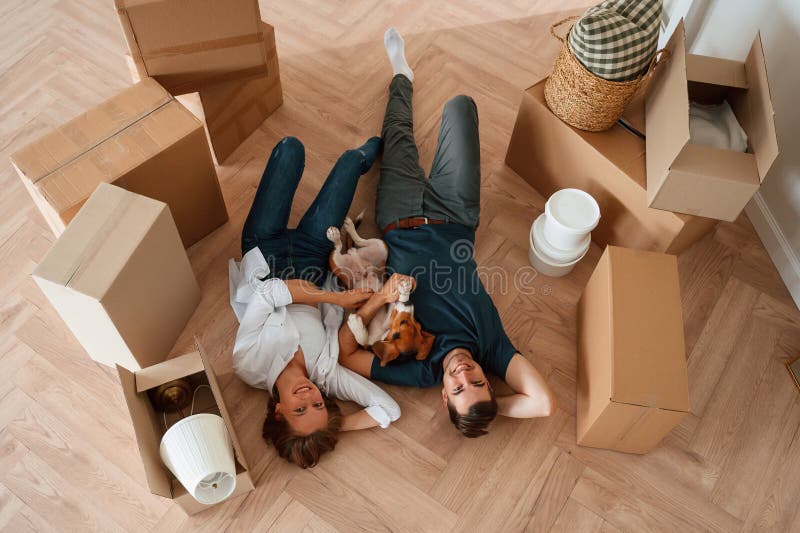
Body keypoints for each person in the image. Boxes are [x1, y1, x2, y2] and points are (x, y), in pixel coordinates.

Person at [337, 29, 557, 438]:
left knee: (397, 133)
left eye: (457, 388)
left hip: (398, 217)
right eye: (477, 384)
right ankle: (415, 85)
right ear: (488, 381)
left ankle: (402, 73)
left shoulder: (418, 370)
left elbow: (348, 358)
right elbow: (544, 404)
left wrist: (382, 299)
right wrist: (492, 406)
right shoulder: (490, 346)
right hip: (455, 214)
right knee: (461, 106)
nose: (464, 374)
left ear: (443, 394)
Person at [229, 135, 402, 469]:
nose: (310, 398)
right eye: (319, 407)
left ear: (278, 411)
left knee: (291, 148)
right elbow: (388, 409)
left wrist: (336, 298)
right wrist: (329, 430)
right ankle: (371, 152)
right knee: (351, 162)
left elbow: (269, 294)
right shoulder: (326, 375)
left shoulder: (248, 365)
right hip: (311, 256)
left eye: (299, 410)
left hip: (263, 252)